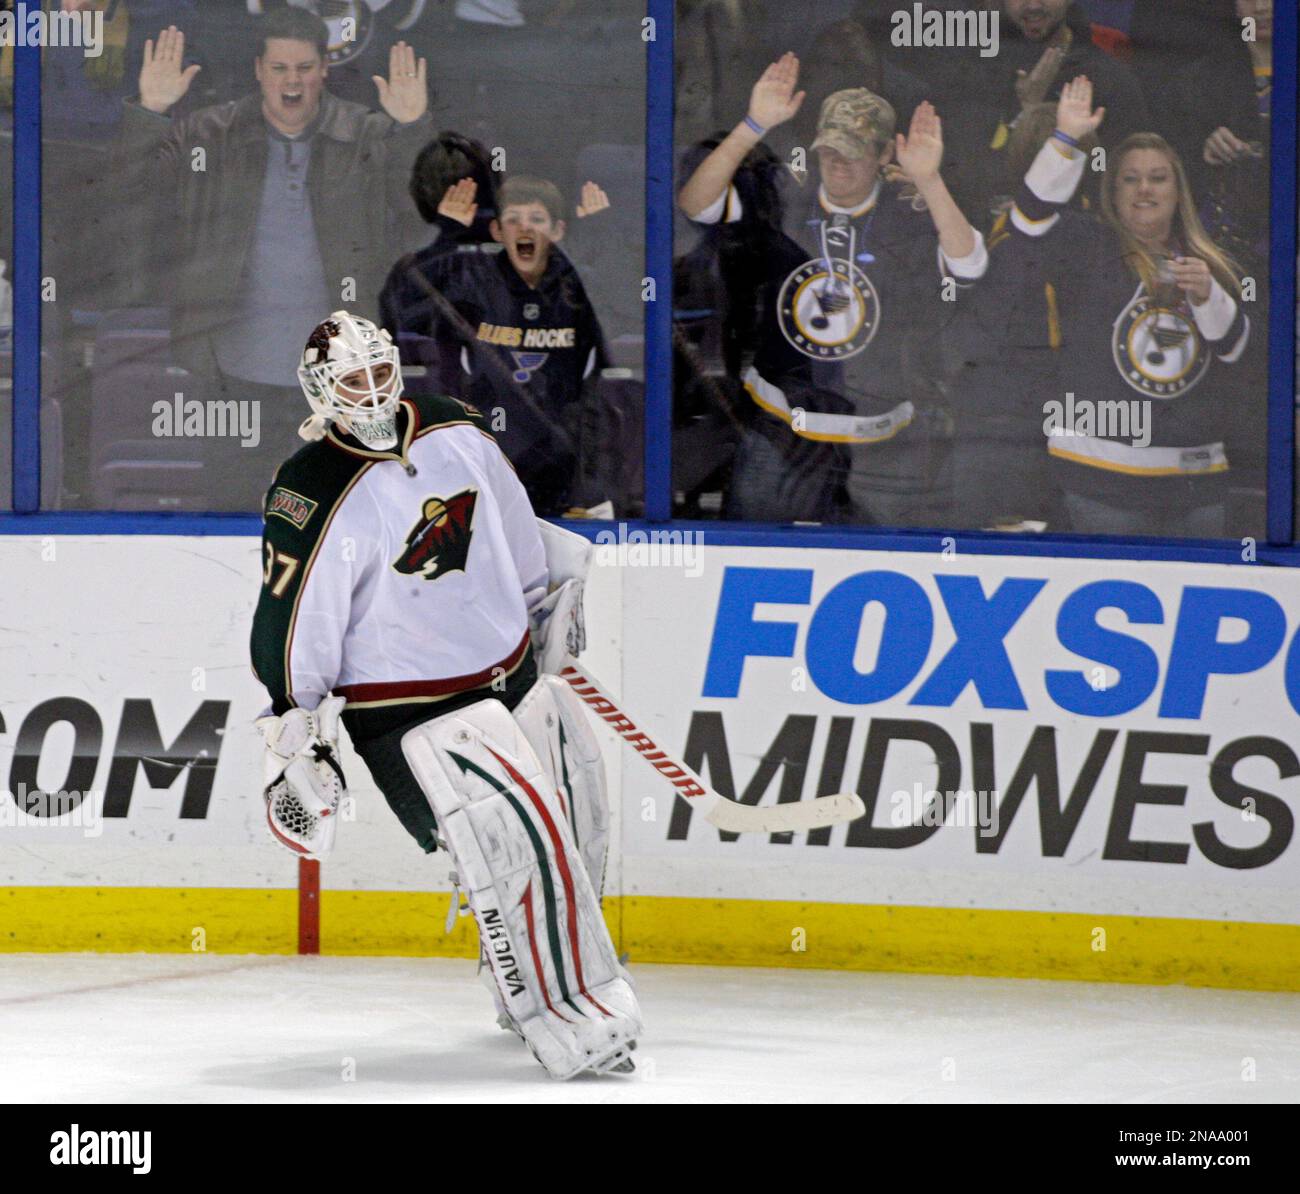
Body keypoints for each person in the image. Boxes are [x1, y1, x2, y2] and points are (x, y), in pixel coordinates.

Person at [249, 310, 641, 1079]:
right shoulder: (309, 488)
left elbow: (512, 519)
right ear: (320, 392)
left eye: (377, 372)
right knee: (511, 844)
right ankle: (570, 1018)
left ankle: (522, 979)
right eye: (349, 381)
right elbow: (294, 619)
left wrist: (542, 601)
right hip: (407, 713)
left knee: (575, 824)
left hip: (512, 673)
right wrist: (295, 716)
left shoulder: (455, 424)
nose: (369, 391)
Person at [107, 9, 433, 509]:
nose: (293, 81)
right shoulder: (209, 133)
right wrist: (149, 113)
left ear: (324, 69)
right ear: (259, 70)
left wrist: (412, 128)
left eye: (304, 67)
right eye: (280, 68)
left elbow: (422, 218)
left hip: (339, 382)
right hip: (232, 376)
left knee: (334, 520)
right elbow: (134, 201)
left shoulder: (368, 134)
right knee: (234, 517)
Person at [677, 53, 987, 526]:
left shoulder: (912, 211)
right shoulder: (783, 193)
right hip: (780, 430)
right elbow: (697, 205)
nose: (839, 162)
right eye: (830, 148)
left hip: (881, 443)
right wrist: (752, 125)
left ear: (885, 155)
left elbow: (969, 266)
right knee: (759, 568)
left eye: (857, 150)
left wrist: (928, 179)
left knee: (885, 573)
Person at [996, 77, 1251, 536]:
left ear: (1178, 191)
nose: (1144, 190)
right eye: (1130, 179)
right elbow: (1028, 217)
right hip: (1100, 482)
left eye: (1158, 178)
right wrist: (1066, 139)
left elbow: (1238, 352)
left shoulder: (1213, 260)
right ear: (1112, 191)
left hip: (1195, 483)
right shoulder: (1084, 245)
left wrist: (1209, 297)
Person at [380, 175, 611, 516]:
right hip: (490, 459)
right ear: (497, 232)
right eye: (513, 219)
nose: (525, 229)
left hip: (567, 465)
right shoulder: (475, 283)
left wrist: (601, 233)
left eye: (536, 219)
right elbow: (399, 305)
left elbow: (627, 305)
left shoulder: (578, 288)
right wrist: (448, 236)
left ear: (558, 231)